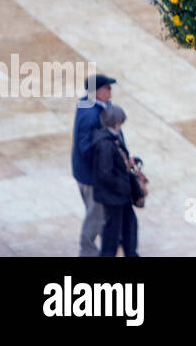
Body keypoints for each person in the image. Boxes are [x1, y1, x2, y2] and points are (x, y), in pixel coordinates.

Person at [70, 72, 117, 256]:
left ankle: (110, 242)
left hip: (96, 174)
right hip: (91, 177)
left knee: (103, 212)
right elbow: (85, 148)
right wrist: (104, 164)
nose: (110, 90)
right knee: (95, 215)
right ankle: (87, 251)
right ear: (96, 93)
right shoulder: (90, 115)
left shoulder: (102, 106)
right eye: (107, 88)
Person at [91, 104, 138, 257]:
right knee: (112, 231)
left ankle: (131, 253)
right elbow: (105, 173)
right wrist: (123, 186)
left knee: (129, 225)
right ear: (117, 123)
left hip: (118, 195)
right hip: (113, 196)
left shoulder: (112, 138)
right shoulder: (105, 144)